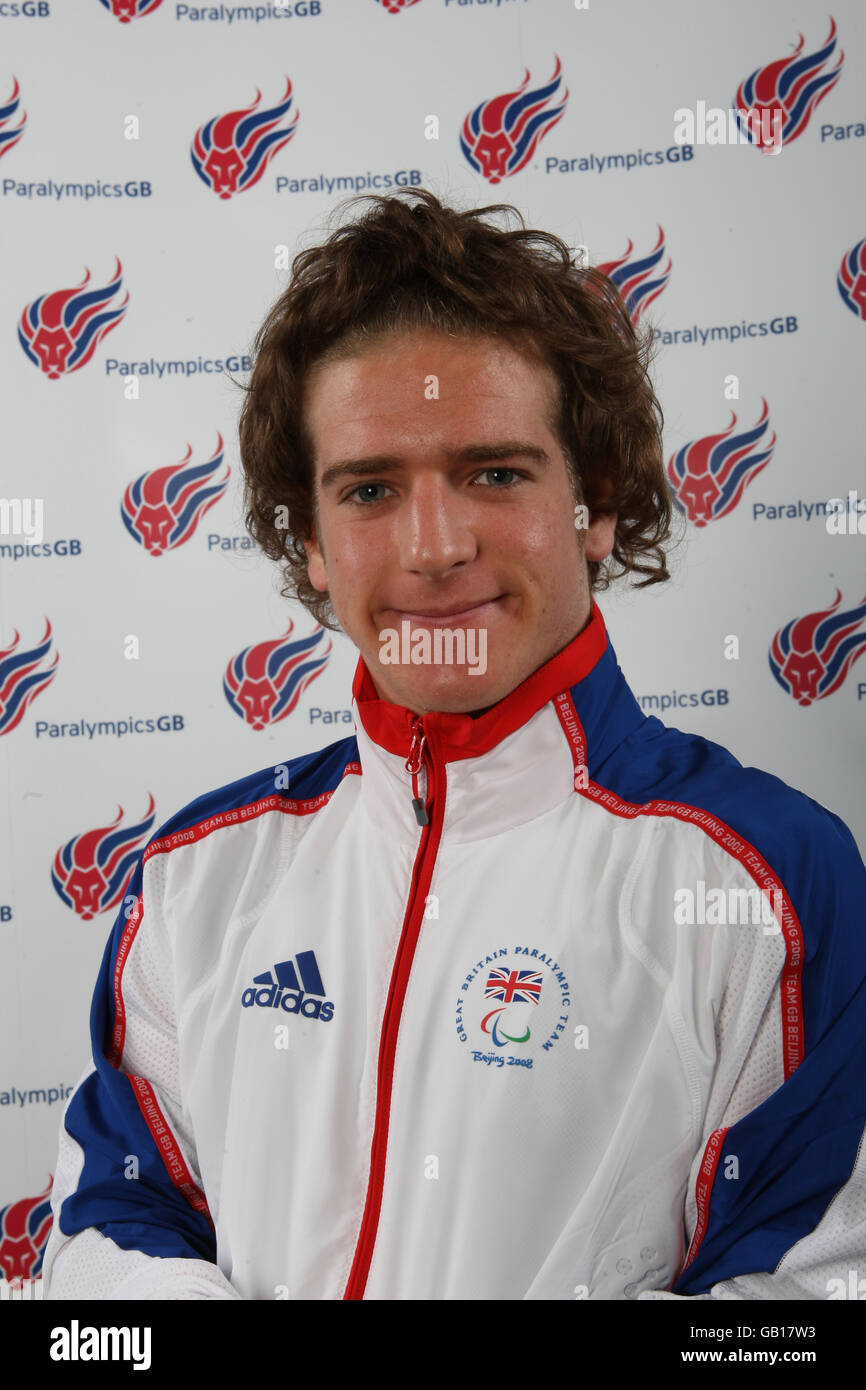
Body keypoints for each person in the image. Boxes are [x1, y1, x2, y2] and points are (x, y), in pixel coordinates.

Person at [43, 189, 866, 1300]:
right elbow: (108, 1222)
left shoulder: (770, 874)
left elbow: (814, 1291)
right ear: (315, 543)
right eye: (371, 489)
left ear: (599, 501)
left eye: (492, 472)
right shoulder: (198, 875)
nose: (432, 547)